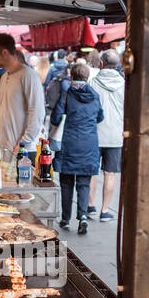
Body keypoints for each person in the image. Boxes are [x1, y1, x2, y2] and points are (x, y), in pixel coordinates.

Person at [49, 59, 103, 233]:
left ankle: (65, 219)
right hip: (89, 144)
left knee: (66, 183)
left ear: (71, 76)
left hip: (69, 143)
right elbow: (100, 117)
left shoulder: (67, 94)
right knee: (84, 183)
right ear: (86, 77)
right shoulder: (94, 95)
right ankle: (84, 216)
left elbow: (56, 118)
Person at [0, 31, 45, 163]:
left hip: (23, 151)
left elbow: (37, 113)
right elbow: (5, 110)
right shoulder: (4, 77)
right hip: (5, 149)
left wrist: (22, 143)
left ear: (4, 53)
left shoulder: (28, 75)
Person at [87, 48, 124, 220]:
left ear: (101, 64)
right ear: (118, 66)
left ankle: (90, 206)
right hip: (115, 136)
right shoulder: (125, 85)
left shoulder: (93, 83)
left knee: (92, 172)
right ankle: (104, 210)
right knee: (110, 174)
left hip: (95, 134)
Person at [42, 50, 69, 153]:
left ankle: (51, 140)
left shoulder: (52, 67)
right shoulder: (68, 67)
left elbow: (47, 83)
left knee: (54, 122)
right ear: (65, 56)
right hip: (64, 99)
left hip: (54, 99)